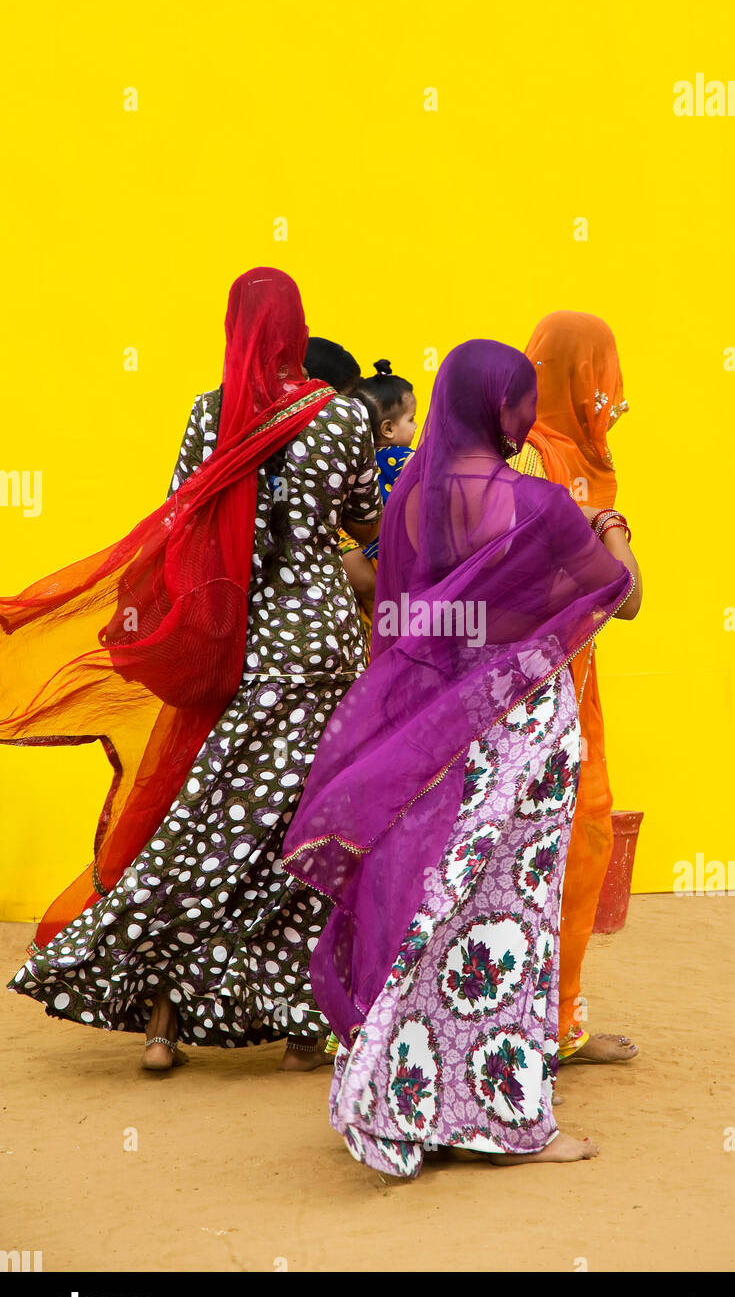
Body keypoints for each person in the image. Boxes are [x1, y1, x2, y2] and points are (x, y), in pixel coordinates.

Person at [2, 268, 382, 1072]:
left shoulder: (209, 414)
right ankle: (304, 1031)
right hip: (319, 638)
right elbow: (361, 519)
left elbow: (180, 521)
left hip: (233, 643)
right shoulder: (344, 416)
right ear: (296, 327)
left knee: (202, 822)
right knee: (318, 824)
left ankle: (162, 1027)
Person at [280, 339, 642, 1179]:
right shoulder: (541, 506)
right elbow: (619, 599)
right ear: (502, 410)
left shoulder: (411, 499)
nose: (527, 417)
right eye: (521, 403)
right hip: (522, 728)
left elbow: (417, 616)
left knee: (437, 899)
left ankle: (402, 1085)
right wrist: (613, 531)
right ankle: (511, 1117)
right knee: (511, 917)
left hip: (441, 729)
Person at [512, 310, 640, 1065]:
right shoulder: (529, 455)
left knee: (584, 837)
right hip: (528, 693)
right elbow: (608, 592)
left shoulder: (584, 459)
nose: (616, 397)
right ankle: (515, 1025)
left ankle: (560, 1018)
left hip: (576, 683)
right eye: (605, 375)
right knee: (532, 847)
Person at [340, 359, 417, 630]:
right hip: (398, 557)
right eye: (411, 419)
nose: (416, 426)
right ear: (388, 429)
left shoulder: (354, 459)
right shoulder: (407, 458)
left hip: (362, 556)